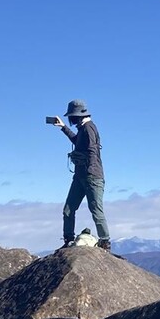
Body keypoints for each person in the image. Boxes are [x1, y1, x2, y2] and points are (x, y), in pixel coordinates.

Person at [51, 99, 111, 251]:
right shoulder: (83, 128)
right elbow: (77, 141)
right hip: (81, 176)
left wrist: (86, 166)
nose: (70, 119)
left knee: (95, 210)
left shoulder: (89, 128)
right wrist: (63, 127)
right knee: (68, 209)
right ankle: (68, 239)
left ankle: (105, 242)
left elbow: (92, 151)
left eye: (71, 117)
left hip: (91, 176)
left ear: (76, 115)